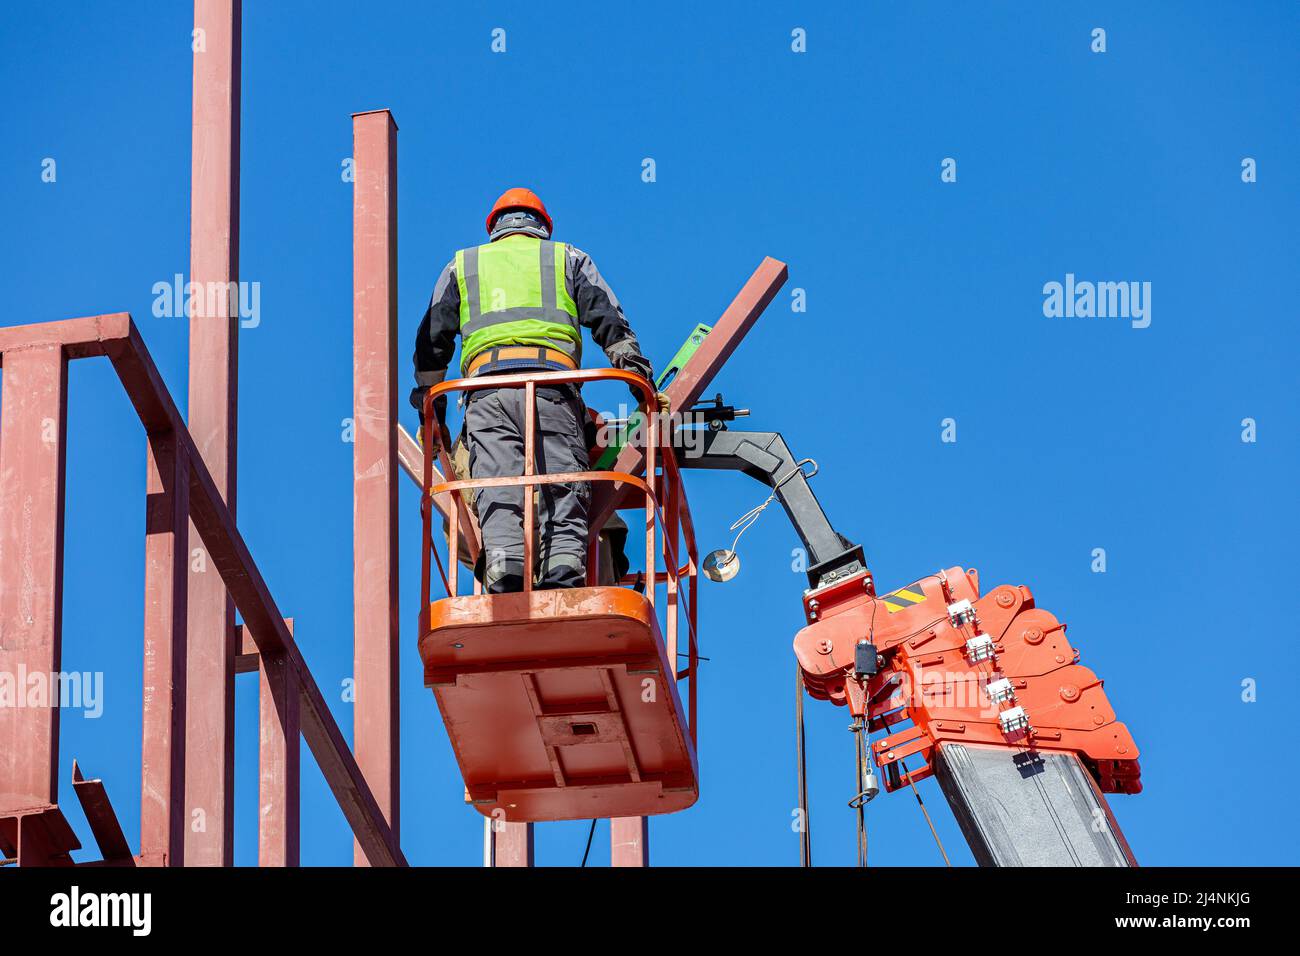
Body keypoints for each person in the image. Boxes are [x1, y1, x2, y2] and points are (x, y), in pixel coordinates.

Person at [411, 187, 665, 593]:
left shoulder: (462, 265)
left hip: (486, 394)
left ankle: (505, 573)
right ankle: (563, 577)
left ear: (494, 227)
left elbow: (431, 343)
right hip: (551, 389)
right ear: (543, 227)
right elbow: (610, 322)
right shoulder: (567, 258)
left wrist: (431, 410)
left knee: (499, 486)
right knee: (562, 483)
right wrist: (641, 384)